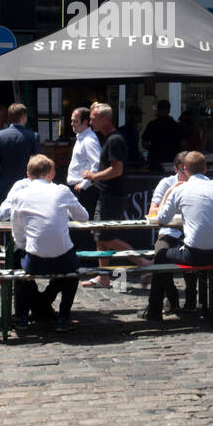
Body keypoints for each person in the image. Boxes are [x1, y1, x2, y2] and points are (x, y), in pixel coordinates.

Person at [0, 154, 89, 332]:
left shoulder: (20, 195)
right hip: (63, 260)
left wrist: (28, 246)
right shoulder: (62, 191)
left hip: (35, 262)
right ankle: (63, 318)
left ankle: (23, 316)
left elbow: (16, 232)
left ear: (28, 174)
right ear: (49, 173)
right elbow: (84, 216)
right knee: (73, 271)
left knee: (19, 265)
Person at [151, 152, 213, 325]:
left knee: (160, 256)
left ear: (185, 170)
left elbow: (161, 219)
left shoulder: (181, 189)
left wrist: (171, 192)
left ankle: (154, 310)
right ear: (205, 169)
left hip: (195, 255)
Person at [79, 103, 141, 289]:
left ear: (105, 119)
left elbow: (117, 170)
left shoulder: (114, 140)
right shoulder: (109, 139)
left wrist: (93, 176)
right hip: (108, 194)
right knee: (100, 236)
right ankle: (103, 276)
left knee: (106, 236)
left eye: (92, 118)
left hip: (113, 195)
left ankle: (144, 263)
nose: (90, 122)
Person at [144, 151, 196, 316]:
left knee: (194, 251)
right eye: (182, 170)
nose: (186, 175)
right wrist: (172, 191)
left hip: (190, 232)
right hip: (170, 230)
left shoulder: (197, 184)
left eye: (188, 170)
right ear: (175, 169)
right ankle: (170, 296)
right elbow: (153, 211)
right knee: (160, 254)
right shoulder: (166, 183)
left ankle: (191, 297)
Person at [0, 103, 41, 201]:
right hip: (27, 185)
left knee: (5, 215)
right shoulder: (33, 136)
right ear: (23, 117)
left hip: (5, 185)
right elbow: (38, 164)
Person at [66, 105, 101, 217]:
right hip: (78, 189)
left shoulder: (89, 140)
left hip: (84, 190)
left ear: (85, 122)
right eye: (72, 121)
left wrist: (84, 184)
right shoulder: (82, 137)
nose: (72, 124)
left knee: (82, 227)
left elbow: (97, 164)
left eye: (75, 121)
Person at [141, 99, 183, 171]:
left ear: (158, 109)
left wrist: (154, 148)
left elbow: (144, 143)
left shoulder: (152, 125)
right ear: (169, 110)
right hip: (172, 160)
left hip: (155, 160)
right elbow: (183, 144)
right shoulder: (176, 126)